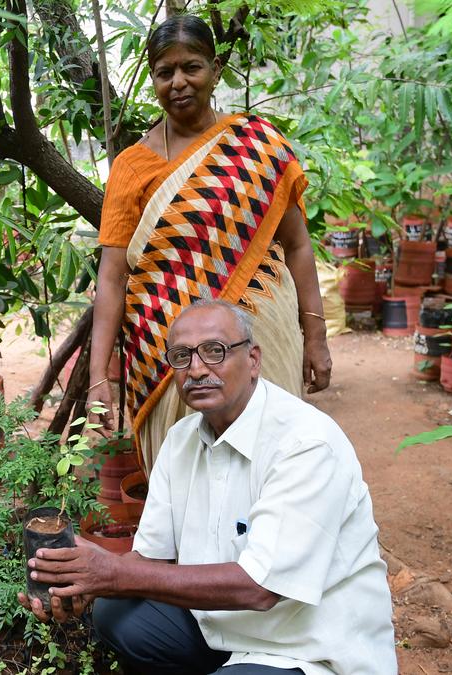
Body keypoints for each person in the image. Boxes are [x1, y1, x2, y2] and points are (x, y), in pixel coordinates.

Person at [23, 300, 396, 675]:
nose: (197, 369)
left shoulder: (305, 444)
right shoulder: (180, 440)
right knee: (117, 611)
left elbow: (260, 588)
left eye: (215, 351)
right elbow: (150, 560)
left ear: (253, 359)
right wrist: (82, 579)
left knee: (123, 589)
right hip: (222, 631)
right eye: (182, 356)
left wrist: (113, 574)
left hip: (306, 649)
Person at [88, 15, 332, 469]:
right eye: (165, 72)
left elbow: (298, 244)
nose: (178, 82)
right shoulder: (131, 166)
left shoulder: (257, 146)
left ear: (215, 70)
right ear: (153, 79)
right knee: (184, 477)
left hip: (259, 332)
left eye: (191, 67)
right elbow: (113, 276)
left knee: (271, 466)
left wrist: (315, 335)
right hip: (166, 354)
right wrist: (97, 375)